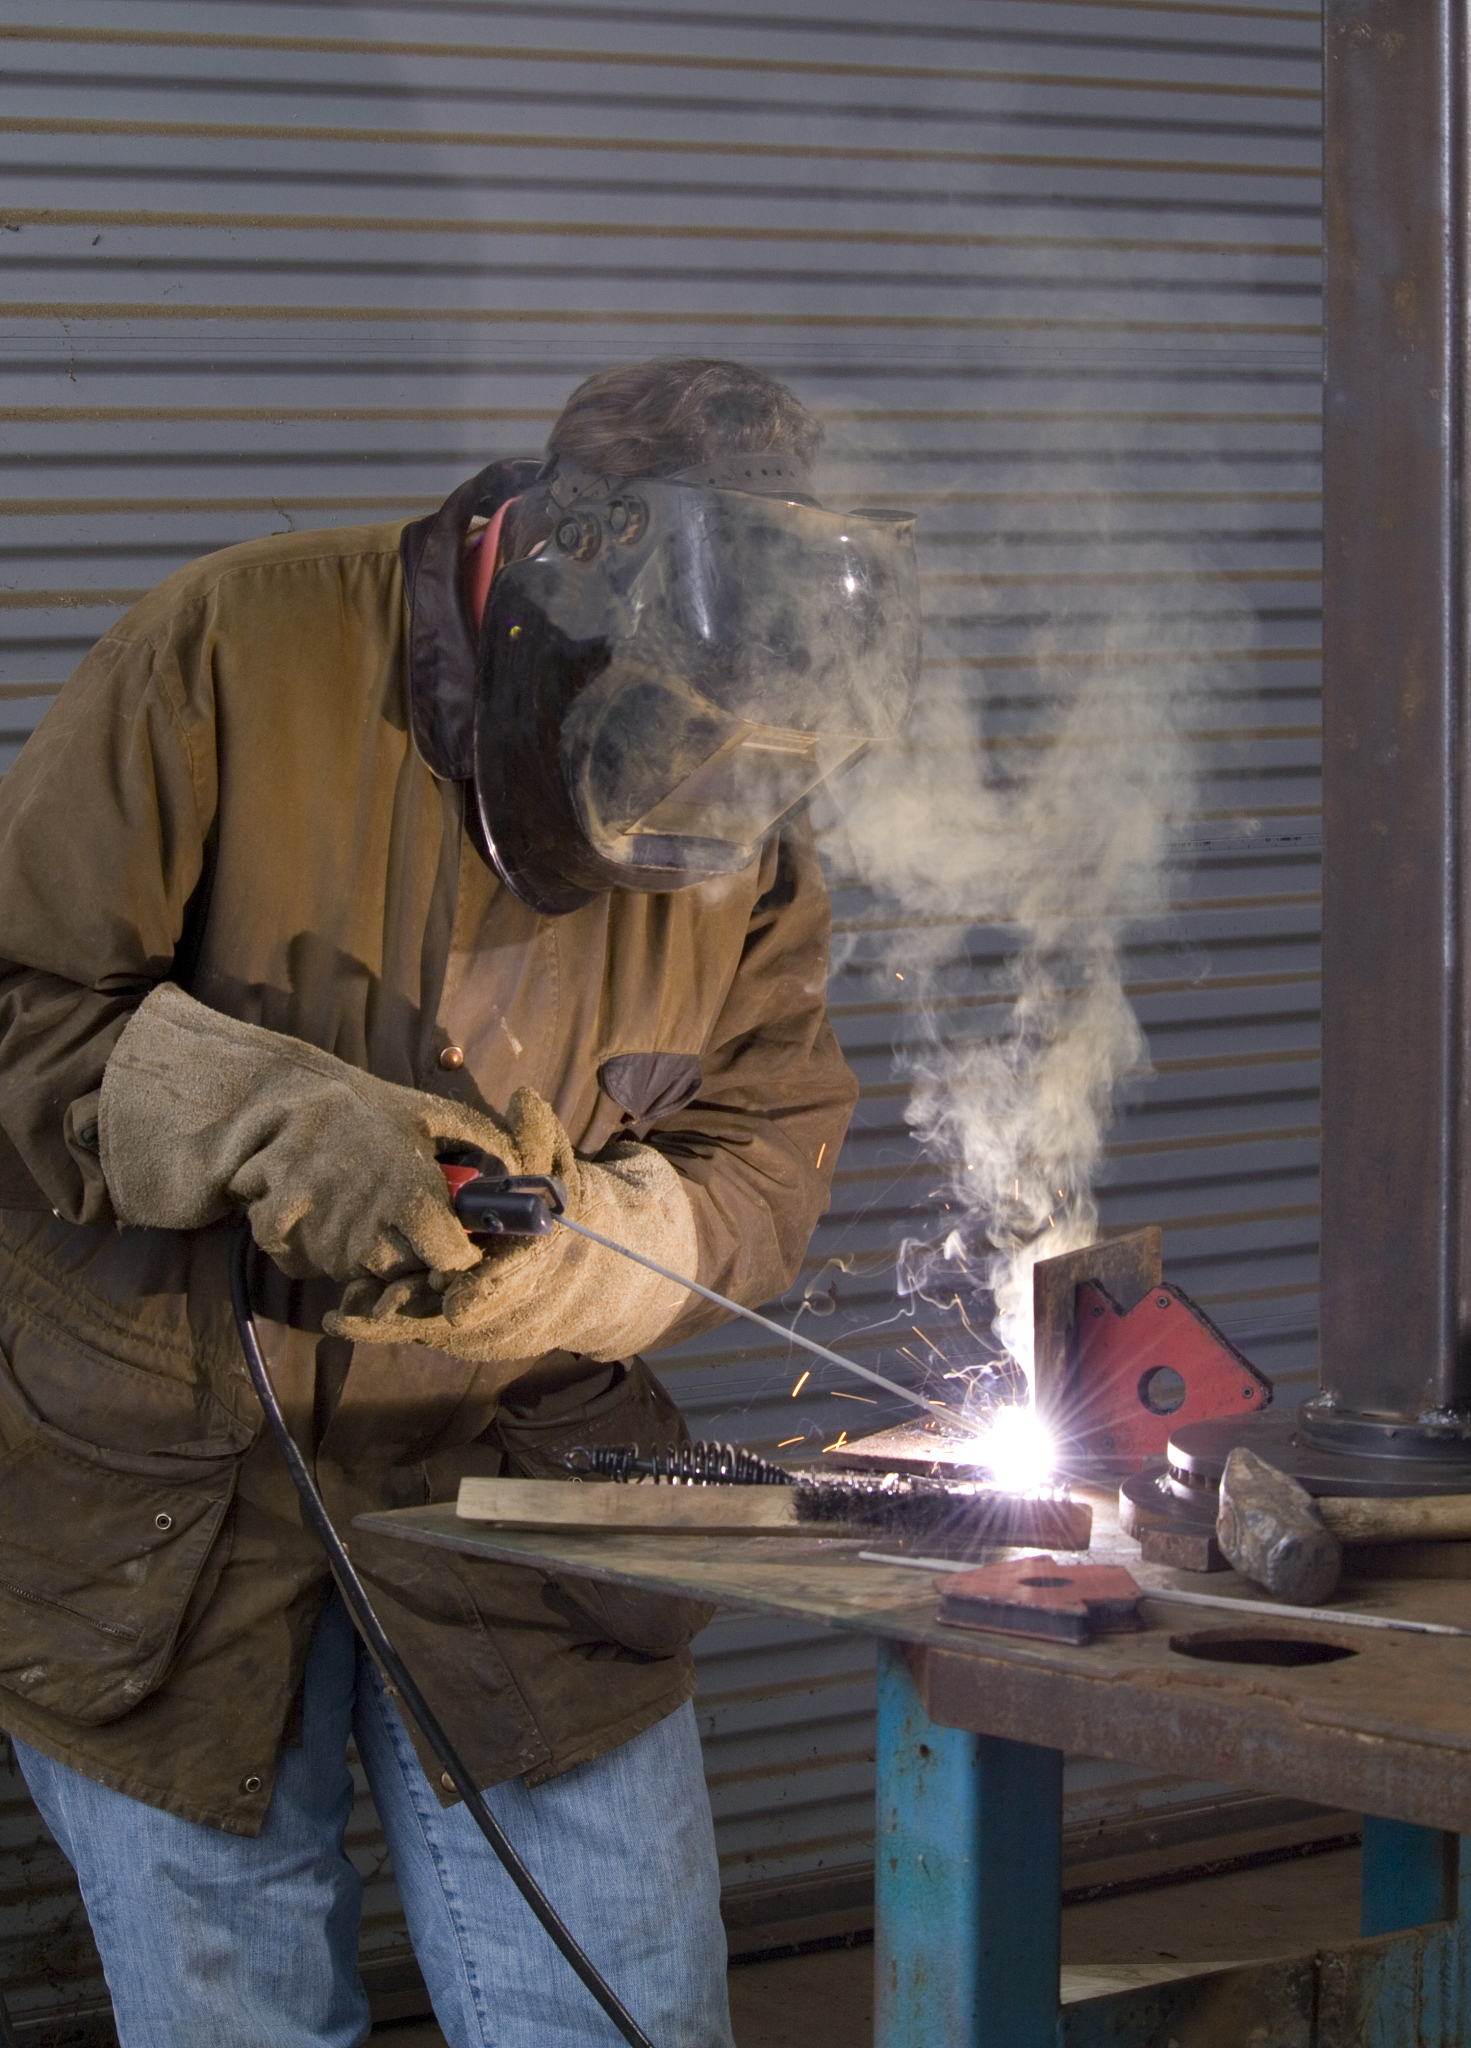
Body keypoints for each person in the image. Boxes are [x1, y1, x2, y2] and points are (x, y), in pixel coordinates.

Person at [0, 357, 918, 2047]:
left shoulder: (744, 785)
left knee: (626, 2017)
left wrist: (597, 1266)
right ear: (548, 587)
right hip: (167, 1500)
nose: (694, 800)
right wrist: (244, 1110)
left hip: (521, 1494)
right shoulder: (233, 648)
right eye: (662, 738)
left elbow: (763, 1150)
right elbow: (18, 1000)